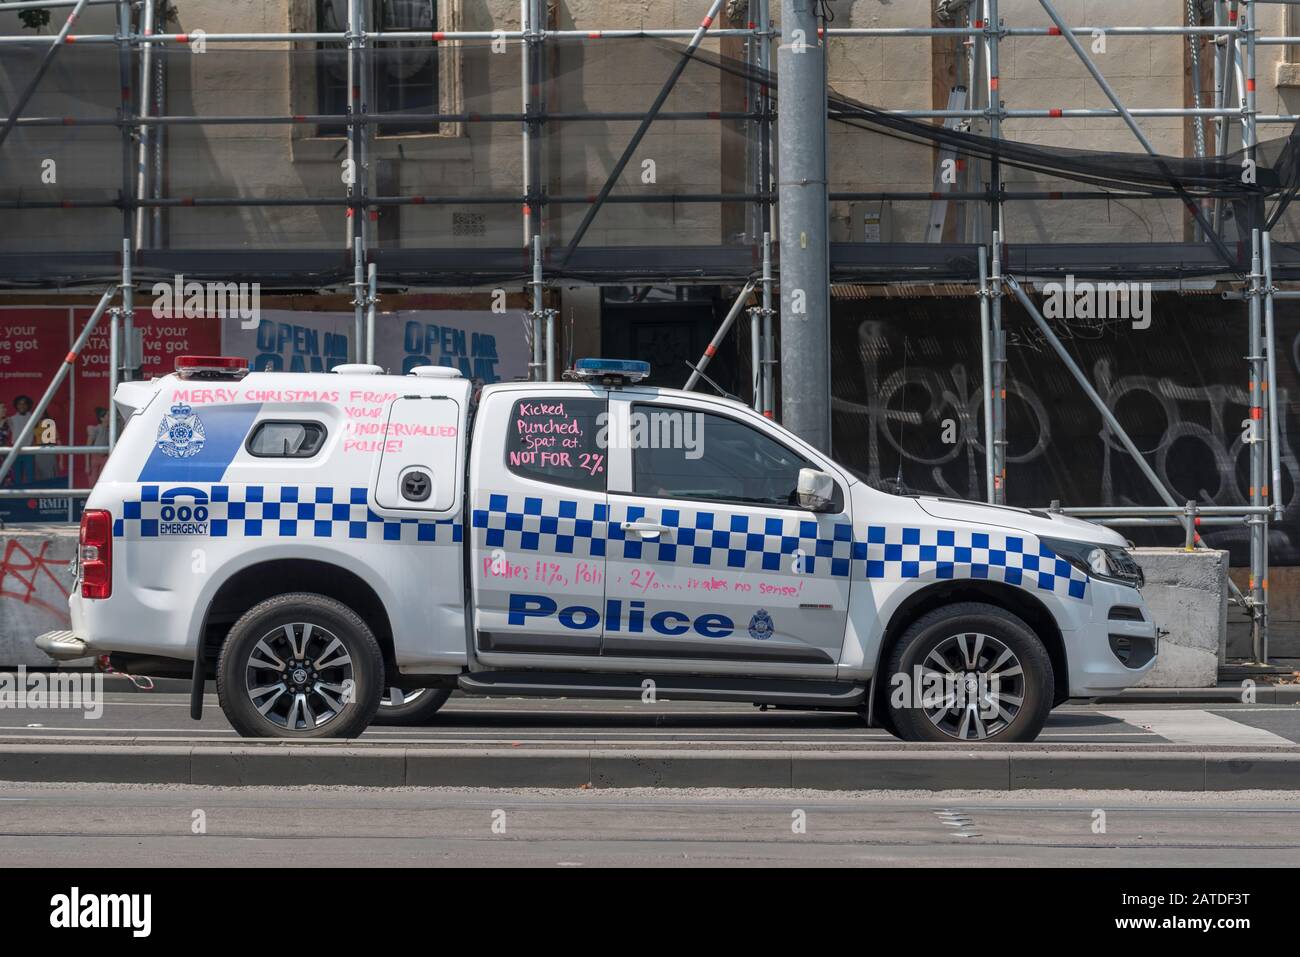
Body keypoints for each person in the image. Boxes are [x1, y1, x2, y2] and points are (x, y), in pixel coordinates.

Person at [8, 395, 35, 487]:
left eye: (24, 403)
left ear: (28, 405)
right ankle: (18, 499)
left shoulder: (33, 417)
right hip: (16, 451)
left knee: (30, 477)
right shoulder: (11, 419)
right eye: (19, 404)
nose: (22, 406)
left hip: (28, 450)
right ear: (16, 405)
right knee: (17, 477)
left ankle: (30, 498)